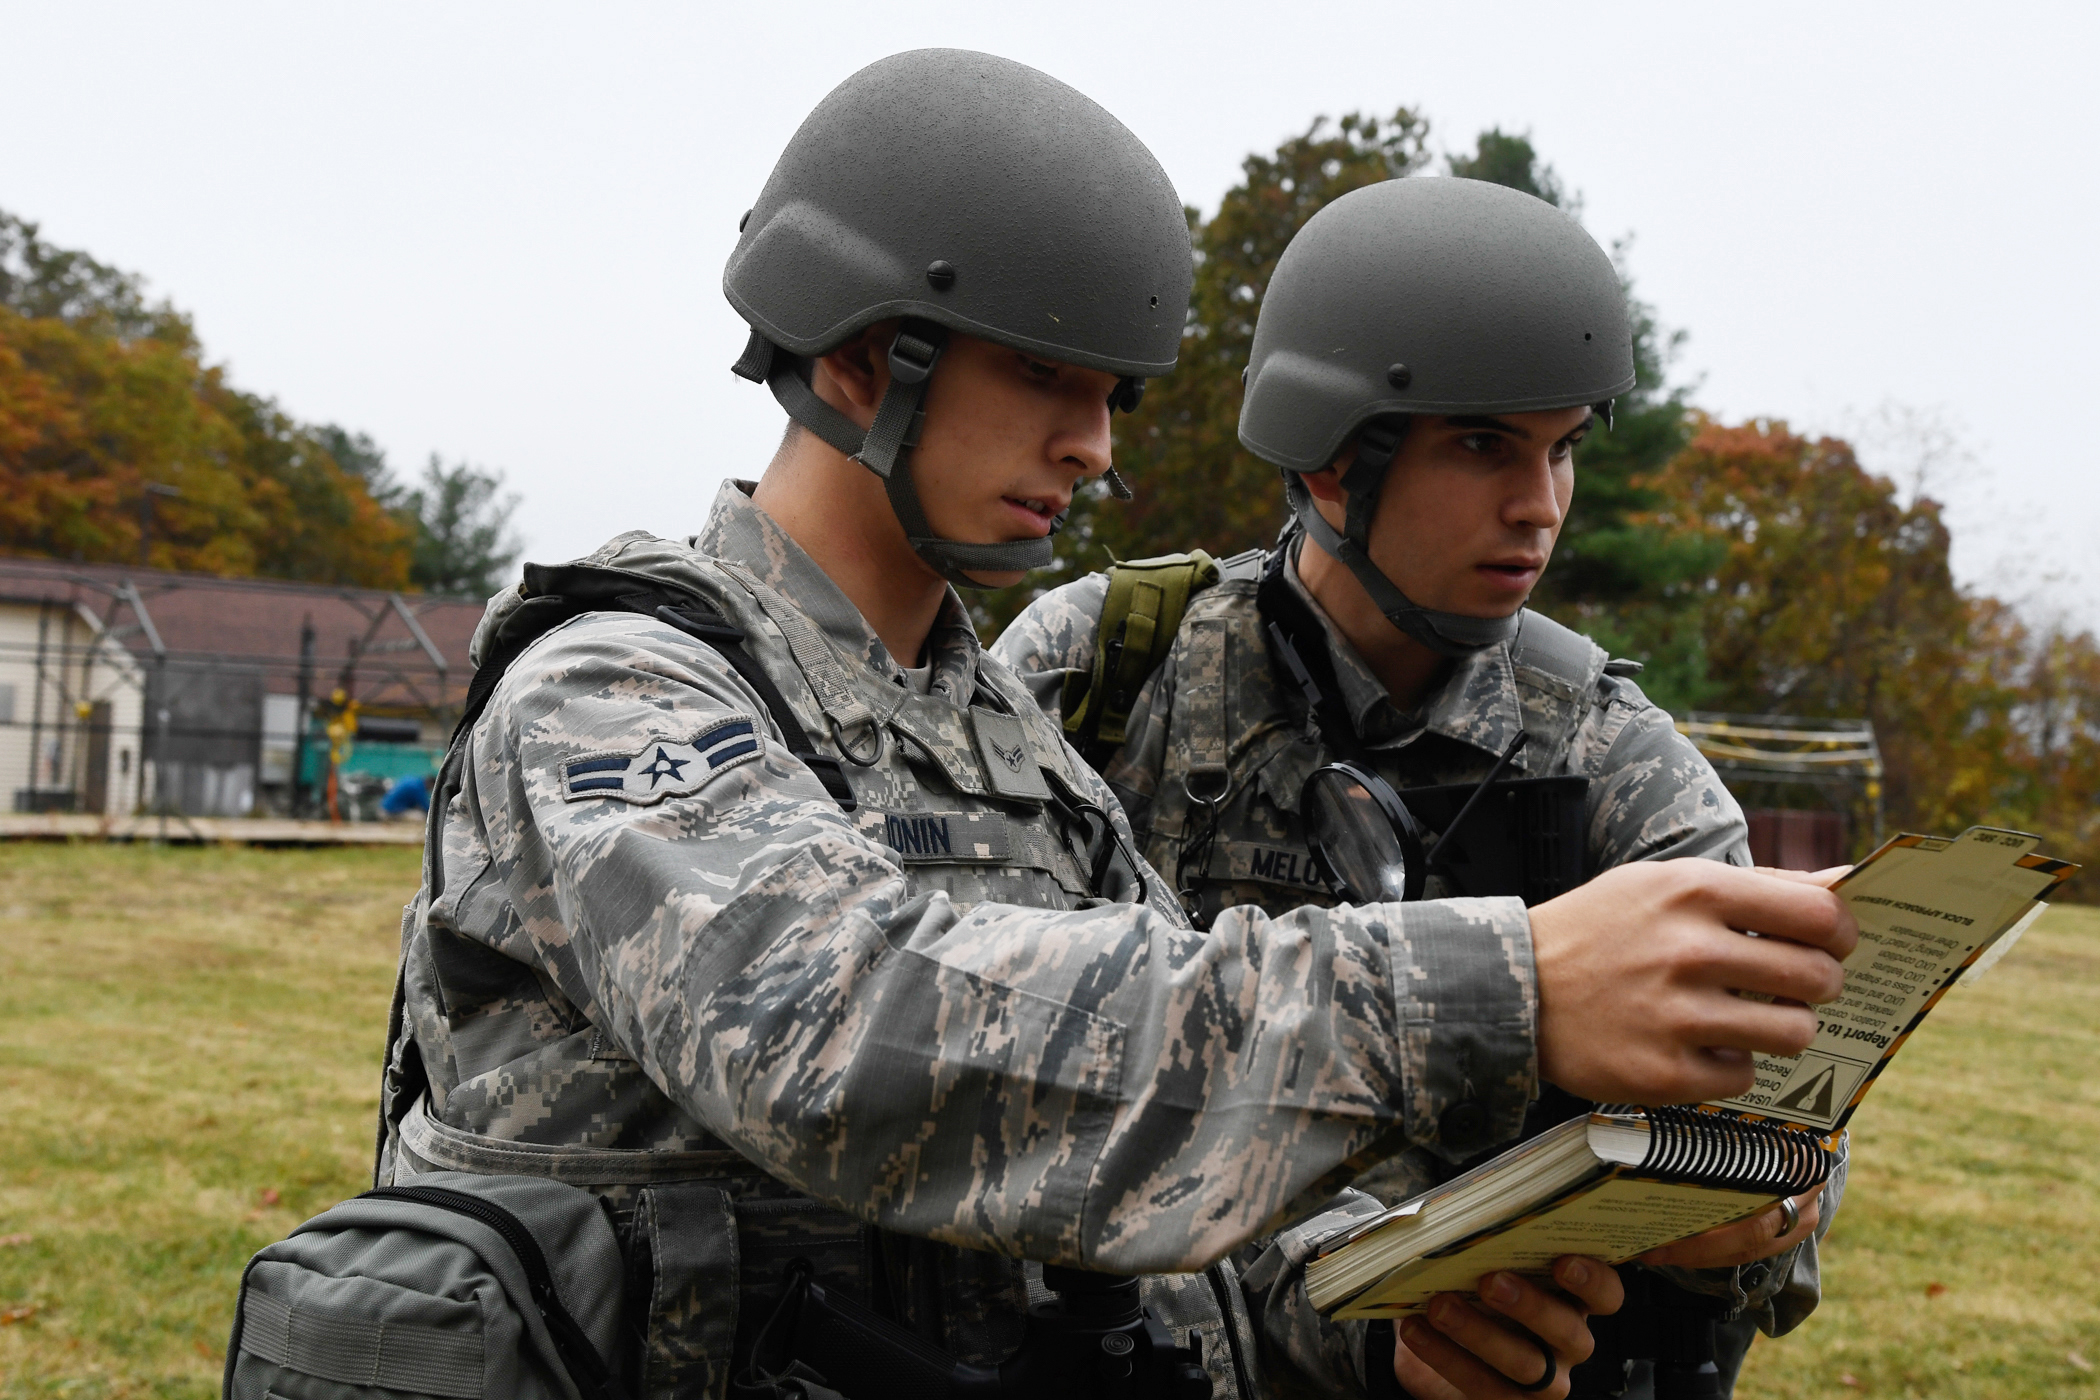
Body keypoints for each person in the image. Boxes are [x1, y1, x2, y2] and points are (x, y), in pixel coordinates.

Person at [377, 51, 1856, 1400]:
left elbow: (1137, 1161)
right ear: (853, 356)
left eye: (1112, 394)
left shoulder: (1007, 747)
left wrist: (1374, 1314)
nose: (1092, 444)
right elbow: (856, 1035)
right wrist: (1502, 988)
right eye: (1040, 373)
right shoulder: (621, 687)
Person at [992, 175, 1845, 1396]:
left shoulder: (1610, 760)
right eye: (1486, 444)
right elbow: (1005, 1078)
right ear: (1335, 461)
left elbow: (1792, 1119)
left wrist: (1744, 1221)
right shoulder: (1106, 679)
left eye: (1563, 450)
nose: (1539, 507)